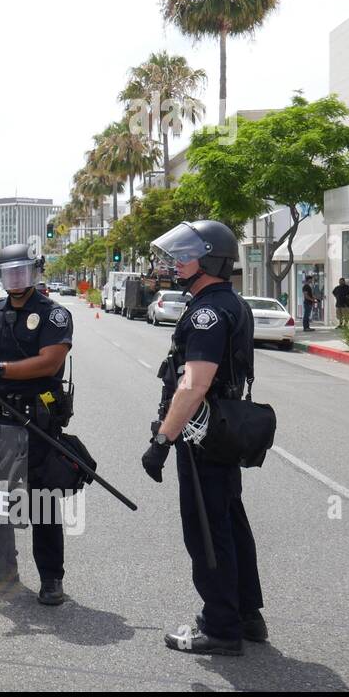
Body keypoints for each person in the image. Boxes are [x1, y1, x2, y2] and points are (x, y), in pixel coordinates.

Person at [141, 221, 265, 656]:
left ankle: (220, 627)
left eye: (184, 255)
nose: (175, 263)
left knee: (207, 531)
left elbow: (193, 385)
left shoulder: (207, 313)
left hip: (203, 435)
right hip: (223, 430)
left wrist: (162, 440)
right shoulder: (231, 303)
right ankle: (247, 615)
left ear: (209, 259)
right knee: (231, 521)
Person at [0, 243, 74, 606]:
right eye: (9, 273)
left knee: (40, 500)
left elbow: (49, 363)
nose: (15, 279)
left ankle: (51, 578)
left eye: (22, 272)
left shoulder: (53, 315)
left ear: (35, 272)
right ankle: (0, 563)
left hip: (34, 421)